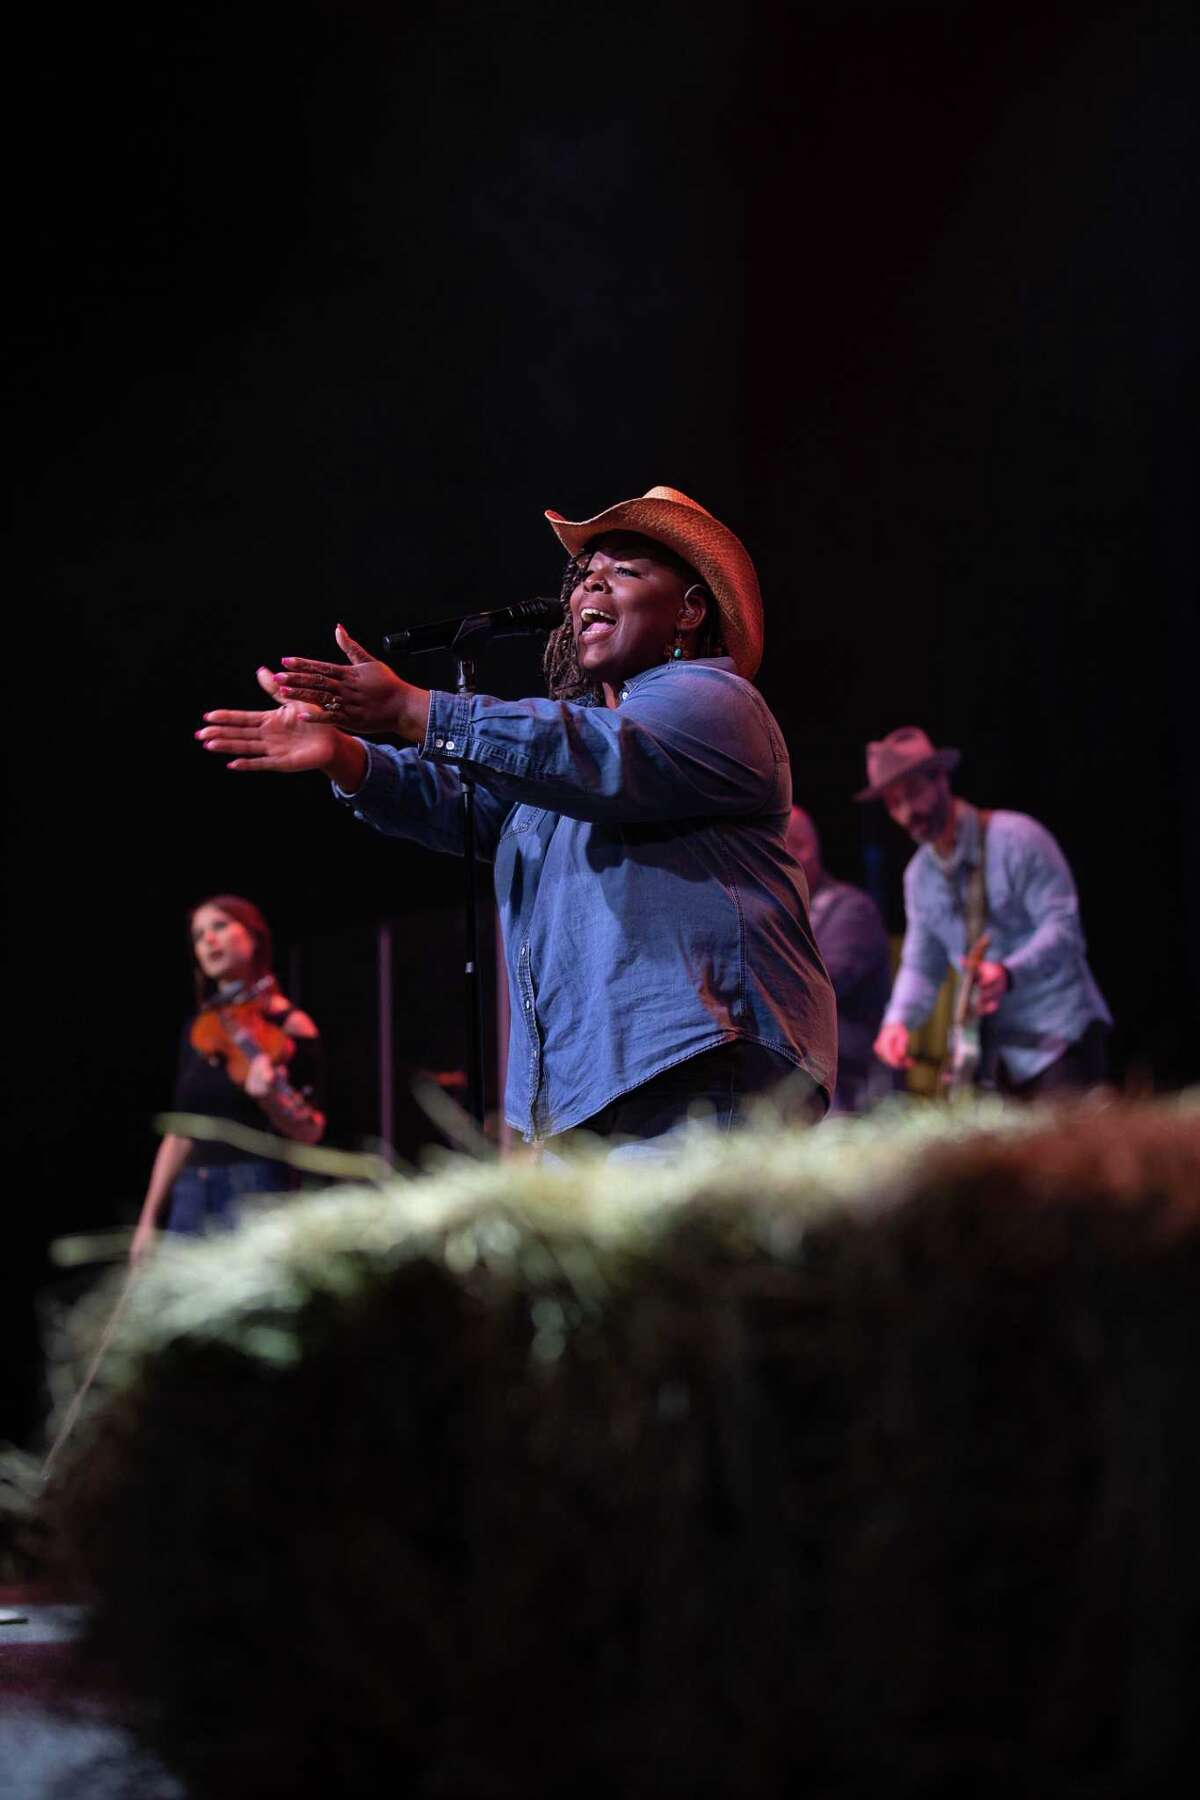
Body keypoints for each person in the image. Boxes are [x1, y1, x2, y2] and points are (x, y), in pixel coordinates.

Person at [196, 486, 837, 1146]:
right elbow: (473, 807)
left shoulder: (714, 700)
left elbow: (597, 754)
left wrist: (414, 710)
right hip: (585, 1087)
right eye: (585, 575)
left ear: (690, 608)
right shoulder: (569, 749)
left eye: (624, 570)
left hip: (699, 1064)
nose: (591, 586)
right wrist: (345, 756)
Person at [857, 727, 1111, 1097]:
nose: (906, 812)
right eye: (894, 803)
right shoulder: (919, 876)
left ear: (940, 778)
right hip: (994, 1056)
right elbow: (922, 966)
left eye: (912, 793)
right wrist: (897, 1022)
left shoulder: (1018, 838)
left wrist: (1009, 973)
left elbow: (1064, 928)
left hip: (1061, 1037)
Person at [129, 895, 326, 1260]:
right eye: (198, 935)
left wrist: (269, 1098)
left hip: (257, 1189)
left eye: (219, 926)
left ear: (254, 937)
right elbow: (180, 1132)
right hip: (192, 1189)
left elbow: (310, 1131)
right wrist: (148, 1220)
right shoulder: (201, 1030)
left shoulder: (288, 1024)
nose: (208, 940)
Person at [785, 806, 893, 1112]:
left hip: (852, 1087)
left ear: (803, 850)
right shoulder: (782, 916)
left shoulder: (853, 911)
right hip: (806, 1081)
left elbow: (812, 992)